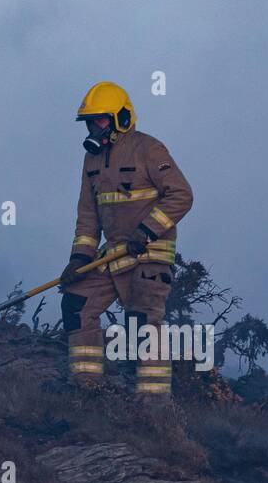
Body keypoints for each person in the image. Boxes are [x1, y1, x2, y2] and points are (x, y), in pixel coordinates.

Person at [59, 81, 193, 396]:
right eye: (90, 122)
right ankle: (88, 388)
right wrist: (79, 258)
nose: (94, 127)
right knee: (76, 301)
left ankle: (154, 405)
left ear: (120, 118)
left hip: (151, 255)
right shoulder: (91, 161)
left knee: (141, 322)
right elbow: (88, 215)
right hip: (114, 255)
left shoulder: (149, 149)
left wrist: (145, 232)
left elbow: (181, 195)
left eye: (101, 120)